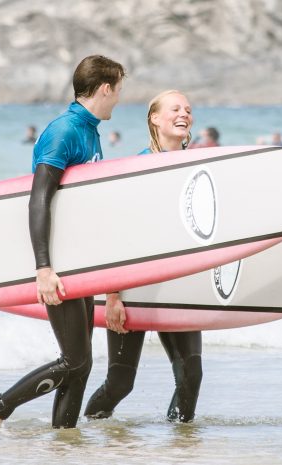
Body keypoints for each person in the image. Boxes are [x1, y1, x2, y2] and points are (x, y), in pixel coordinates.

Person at [0, 55, 125, 430]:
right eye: (118, 89)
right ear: (105, 88)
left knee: (82, 363)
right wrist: (44, 267)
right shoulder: (64, 131)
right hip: (58, 263)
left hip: (78, 262)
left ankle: (63, 439)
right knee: (74, 360)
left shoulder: (89, 131)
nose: (120, 98)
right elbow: (39, 197)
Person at [84, 89, 203, 423]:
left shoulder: (200, 168)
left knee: (191, 378)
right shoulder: (137, 167)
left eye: (188, 110)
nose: (184, 114)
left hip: (179, 286)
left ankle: (181, 448)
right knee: (121, 383)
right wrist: (112, 294)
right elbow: (116, 234)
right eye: (175, 108)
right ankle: (84, 434)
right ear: (154, 118)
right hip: (134, 286)